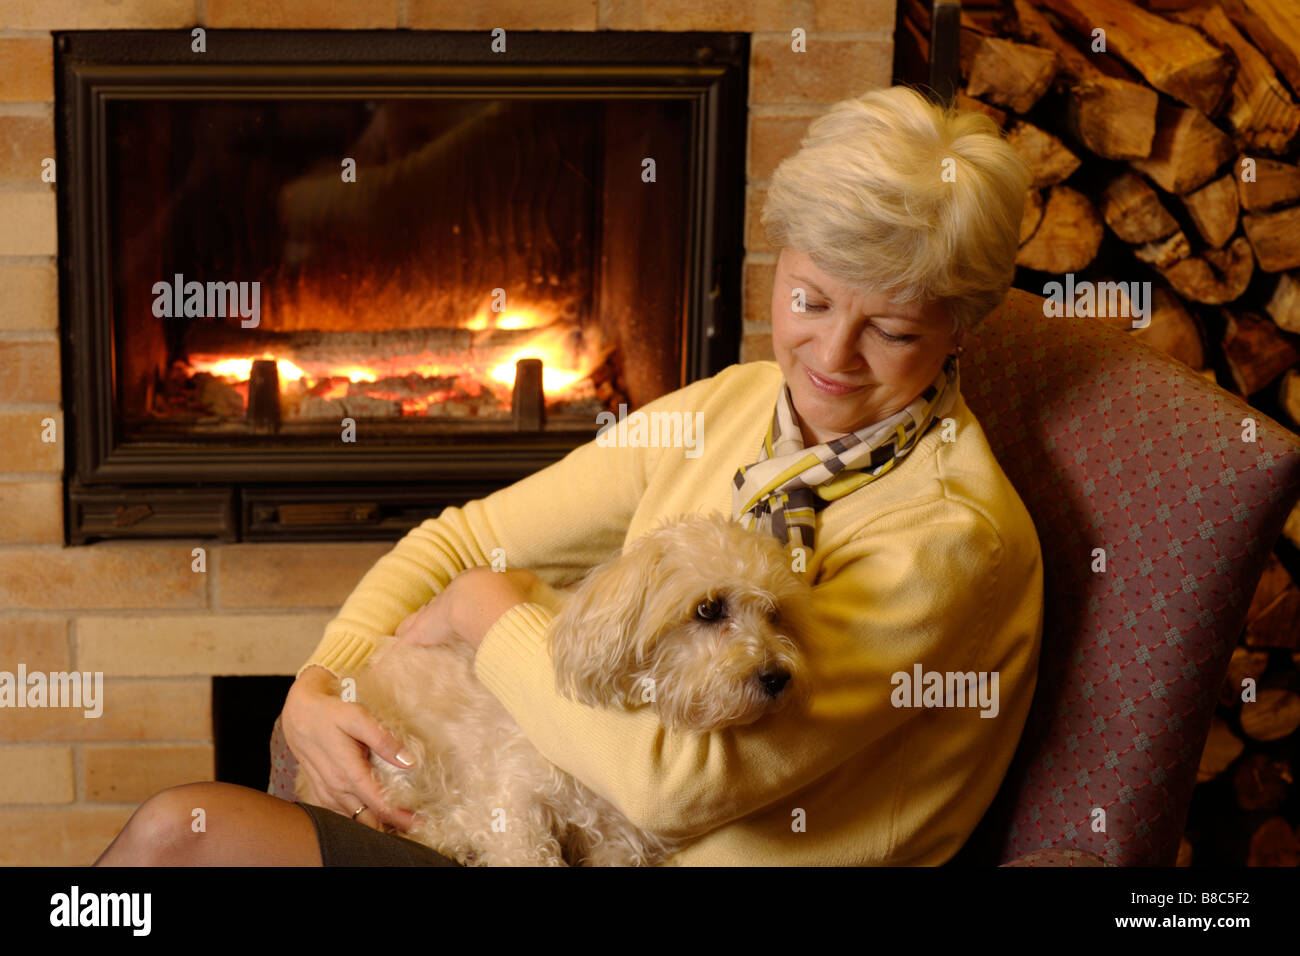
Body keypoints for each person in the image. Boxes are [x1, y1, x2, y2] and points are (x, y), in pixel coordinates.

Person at [93, 84, 1042, 867]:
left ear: (961, 328)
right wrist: (324, 680)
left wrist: (481, 614)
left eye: (893, 329)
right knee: (179, 835)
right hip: (558, 831)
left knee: (183, 840)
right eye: (810, 299)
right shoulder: (735, 409)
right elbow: (463, 541)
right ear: (778, 263)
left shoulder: (950, 536)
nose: (831, 353)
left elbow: (674, 788)